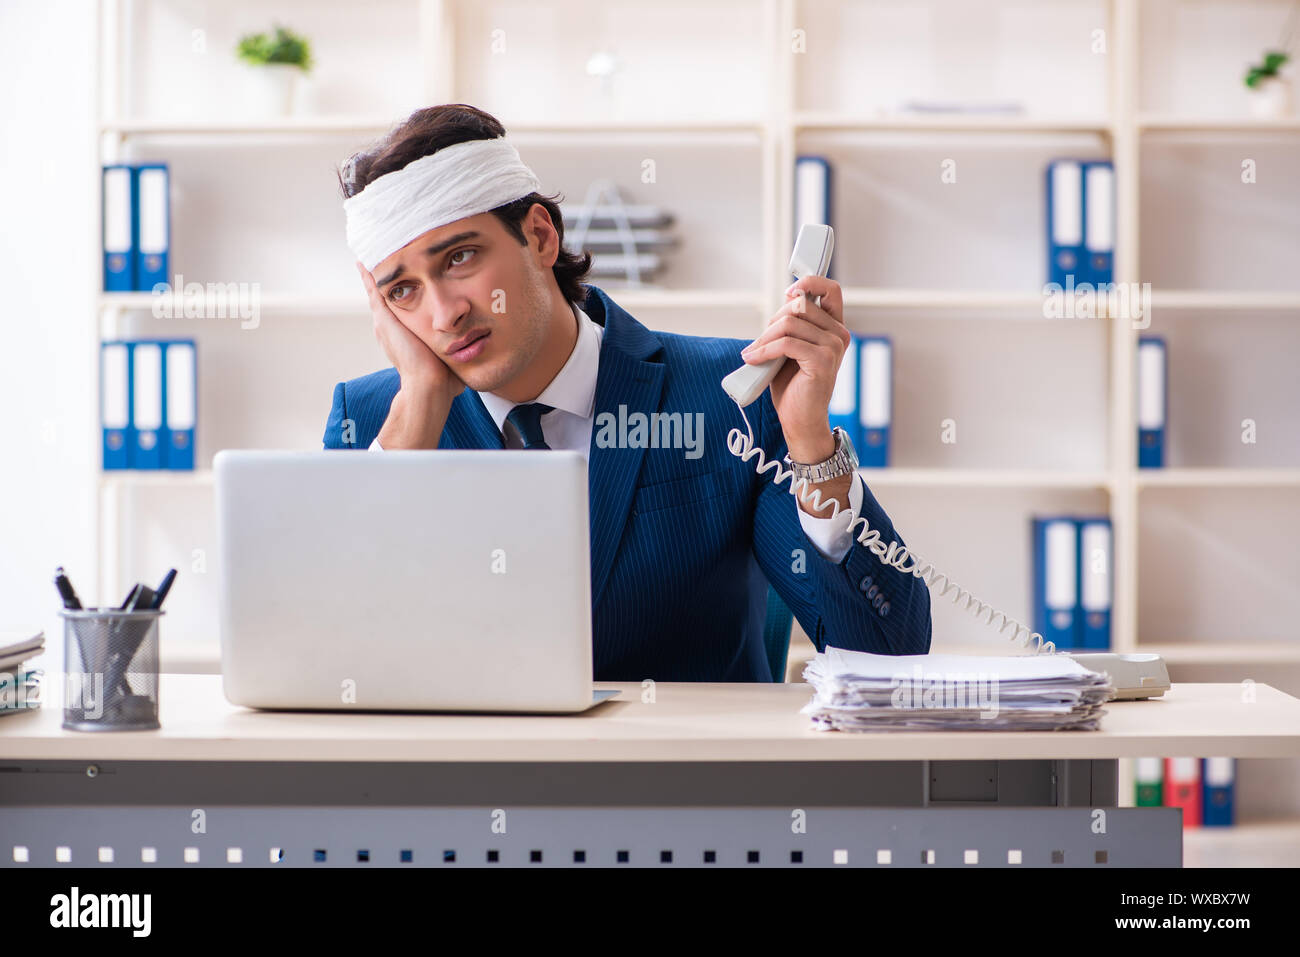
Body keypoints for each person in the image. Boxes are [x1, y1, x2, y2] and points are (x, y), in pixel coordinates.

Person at [323, 104, 931, 681]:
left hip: (679, 780)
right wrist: (416, 422)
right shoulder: (374, 420)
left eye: (459, 257)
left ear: (539, 237)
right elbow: (332, 665)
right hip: (468, 786)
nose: (444, 313)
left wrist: (810, 444)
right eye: (402, 290)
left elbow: (888, 652)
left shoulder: (732, 397)